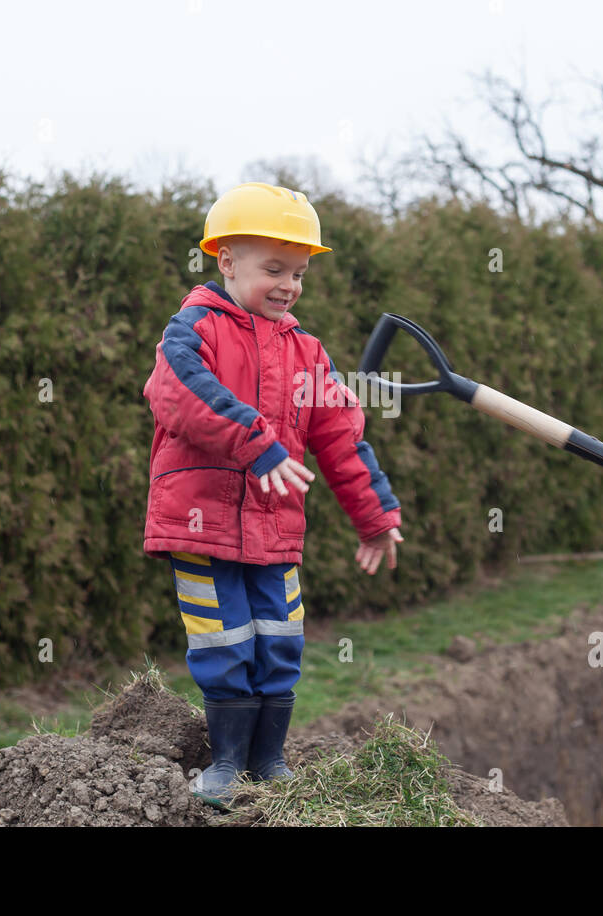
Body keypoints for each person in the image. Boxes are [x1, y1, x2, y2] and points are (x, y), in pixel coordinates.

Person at [142, 182, 404, 806]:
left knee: (278, 640)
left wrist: (375, 516)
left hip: (274, 530)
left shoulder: (306, 351)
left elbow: (341, 436)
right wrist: (257, 443)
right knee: (222, 640)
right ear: (226, 260)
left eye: (300, 272)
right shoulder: (193, 328)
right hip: (202, 526)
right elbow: (179, 392)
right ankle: (227, 761)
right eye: (274, 269)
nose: (289, 284)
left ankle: (269, 758)